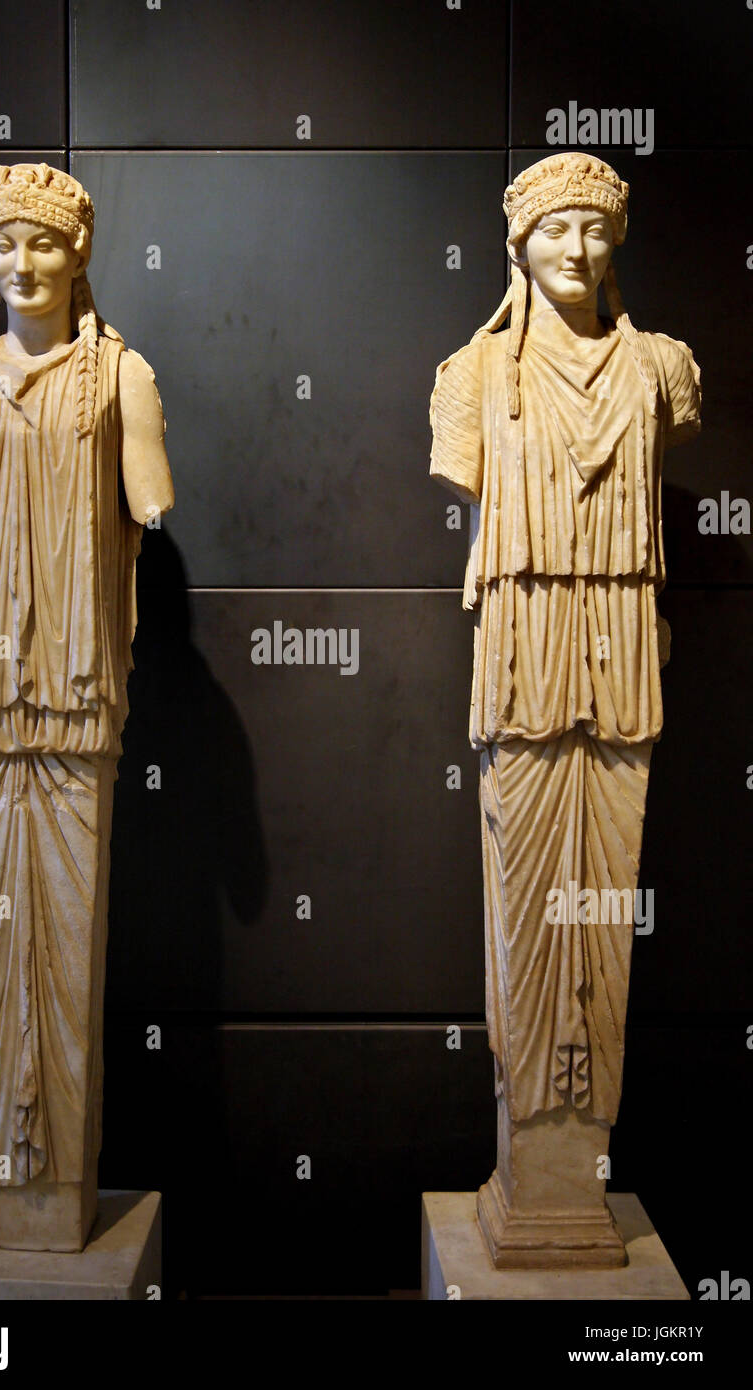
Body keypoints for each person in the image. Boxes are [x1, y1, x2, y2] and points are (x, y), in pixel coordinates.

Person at [429, 152, 700, 1265]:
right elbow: (461, 472)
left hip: (620, 657)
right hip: (524, 657)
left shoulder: (662, 369)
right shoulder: (470, 376)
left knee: (603, 903)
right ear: (519, 246)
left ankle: (574, 1165)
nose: (577, 250)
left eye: (595, 229)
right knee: (527, 902)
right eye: (555, 230)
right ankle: (535, 1148)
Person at [0, 163, 174, 1251]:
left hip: (73, 698)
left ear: (81, 255)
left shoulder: (122, 380)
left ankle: (56, 1189)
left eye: (46, 244)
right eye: (3, 244)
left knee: (65, 942)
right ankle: (14, 1183)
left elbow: (150, 500)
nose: (23, 265)